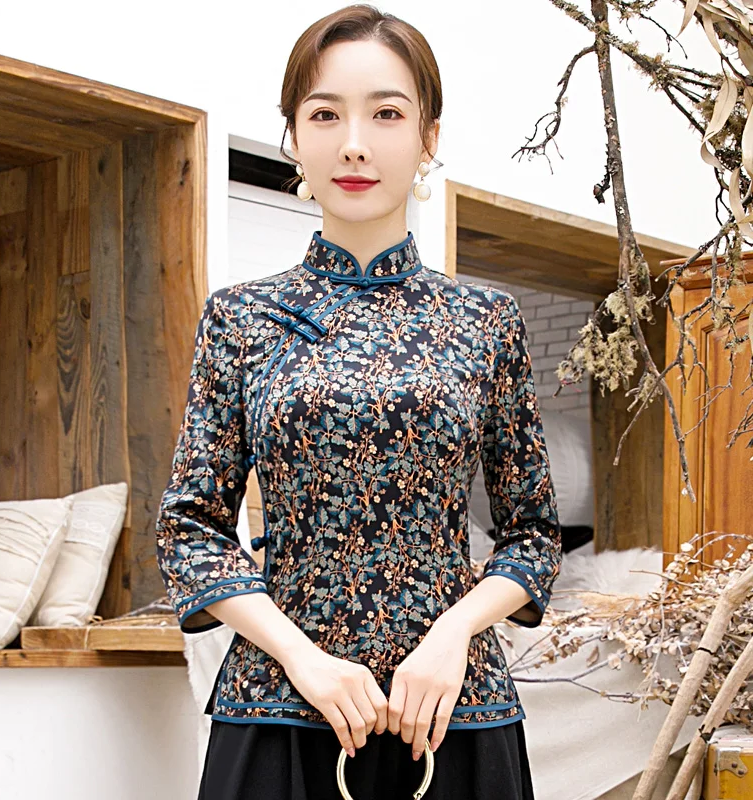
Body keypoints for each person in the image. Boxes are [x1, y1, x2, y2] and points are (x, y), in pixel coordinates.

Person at [155, 4, 562, 798]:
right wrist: (301, 656)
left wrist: (454, 632)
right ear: (293, 137)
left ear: (428, 137)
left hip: (454, 710)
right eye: (324, 114)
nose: (354, 143)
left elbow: (534, 534)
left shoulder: (486, 319)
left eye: (386, 114)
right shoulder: (241, 316)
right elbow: (190, 527)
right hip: (279, 707)